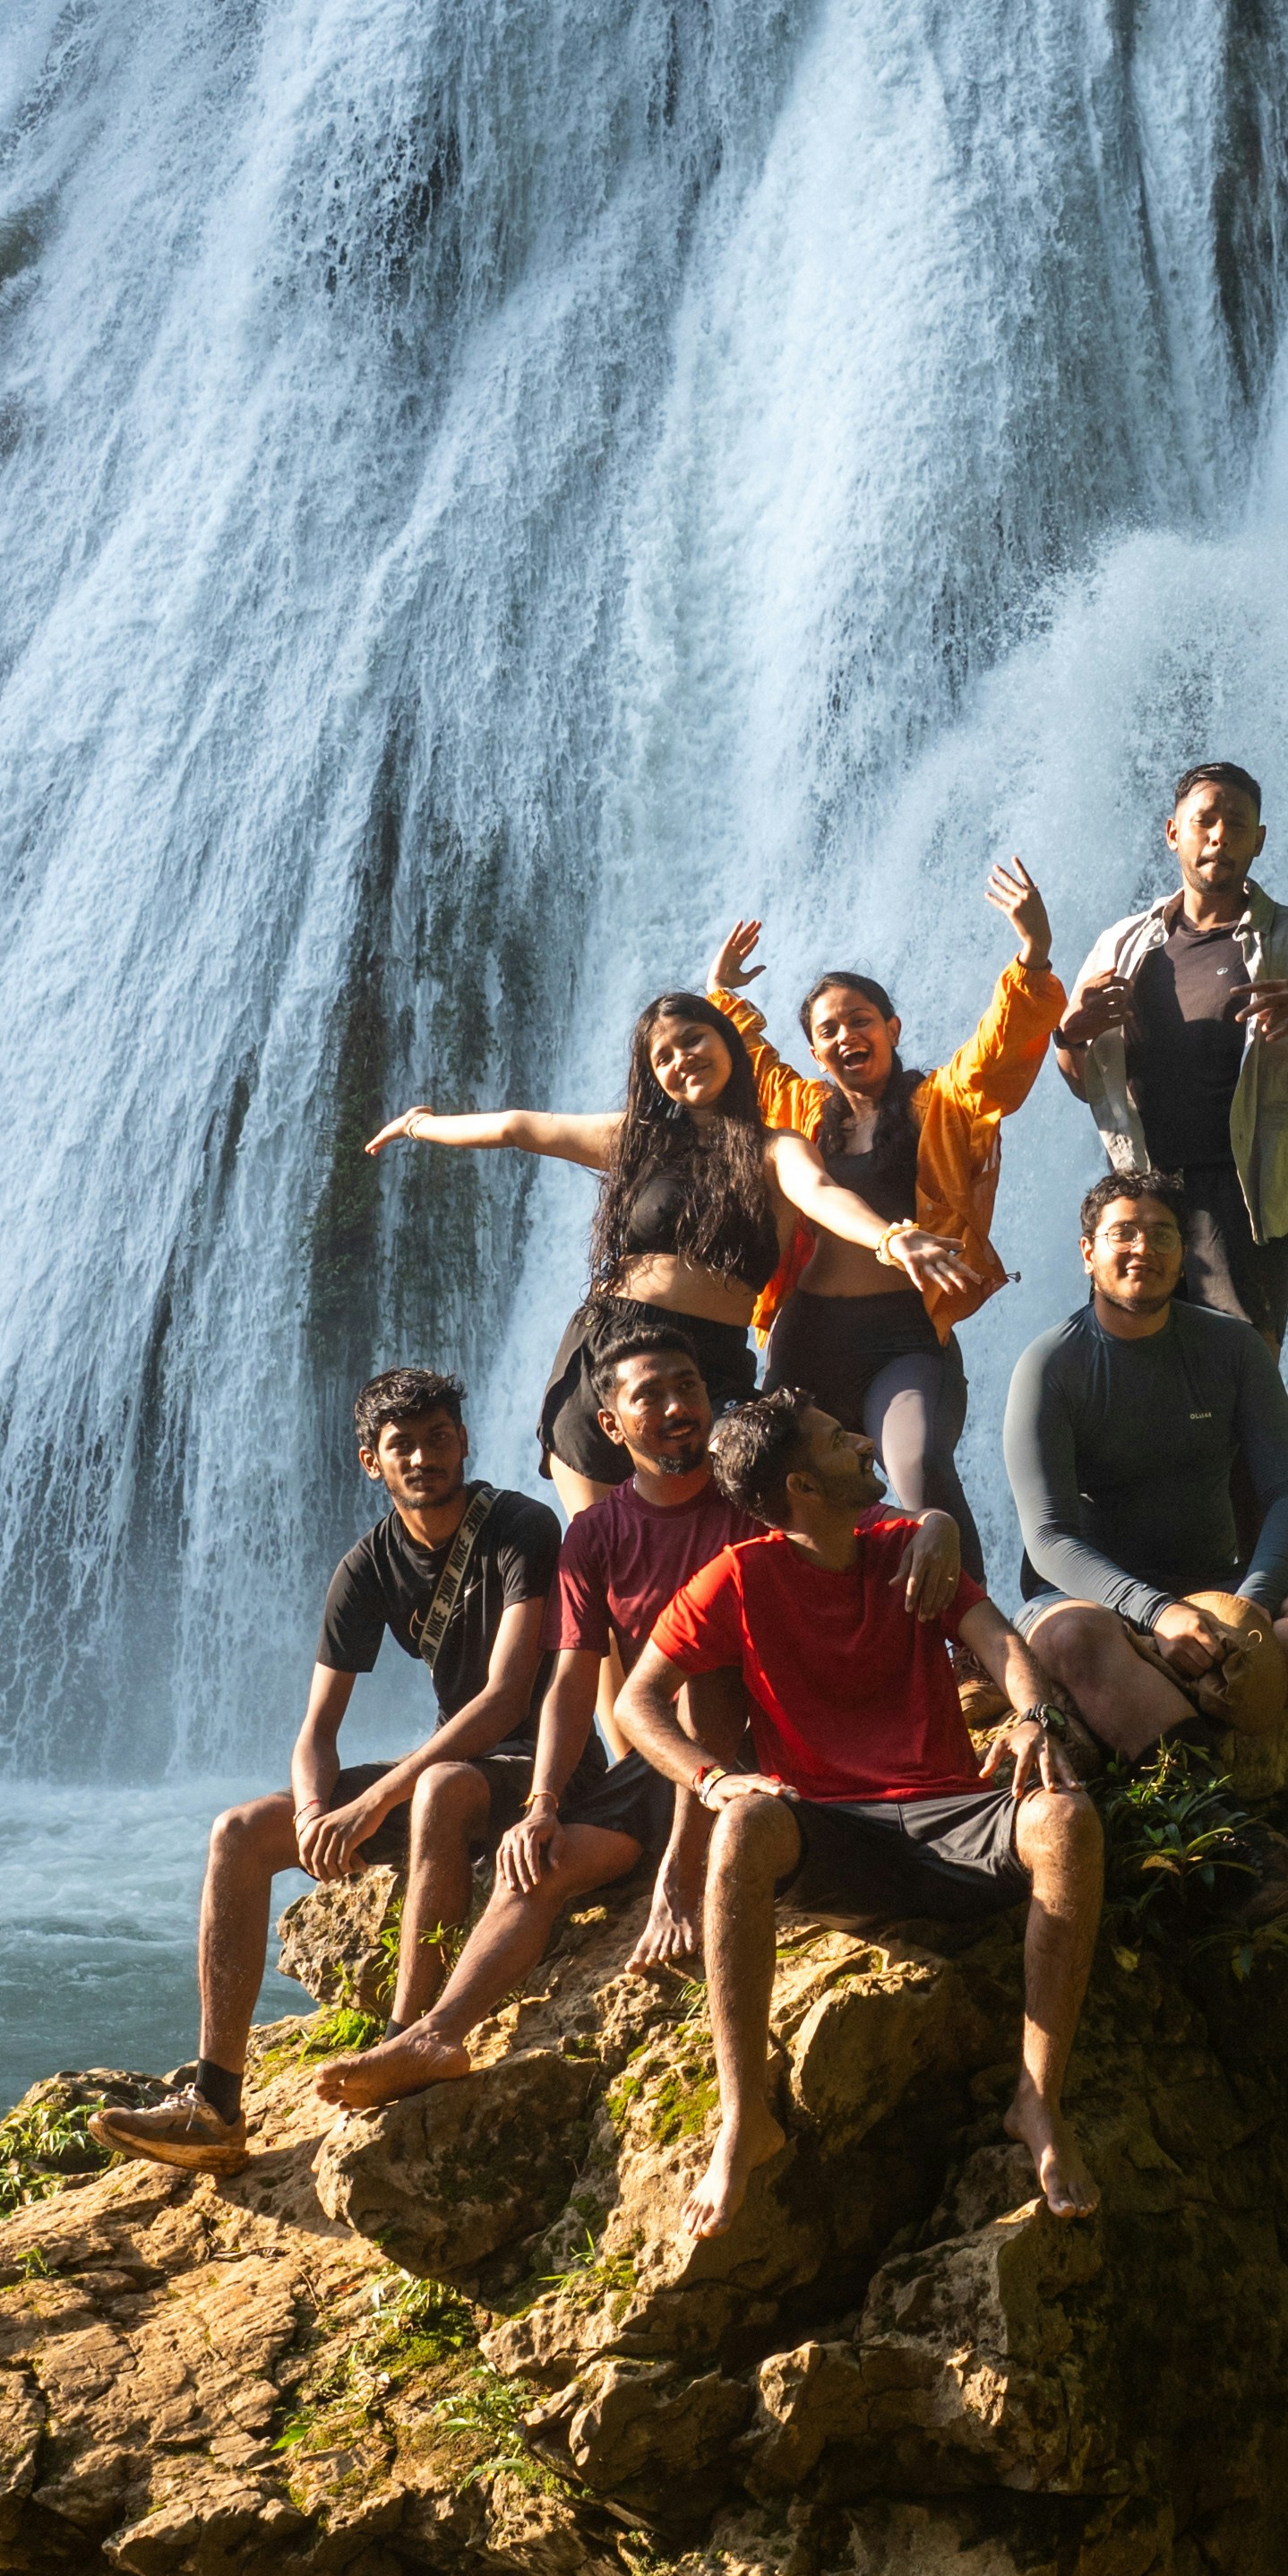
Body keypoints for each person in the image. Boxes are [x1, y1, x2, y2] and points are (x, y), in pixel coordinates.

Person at [311, 1331, 963, 2111]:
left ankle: (681, 1878)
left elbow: (870, 1517)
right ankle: (434, 2035)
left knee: (706, 1680)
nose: (677, 1407)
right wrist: (543, 1803)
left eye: (686, 1386)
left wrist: (938, 1524)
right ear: (613, 1425)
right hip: (664, 1764)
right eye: (649, 1395)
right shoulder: (596, 1535)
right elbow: (568, 1685)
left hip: (779, 1755)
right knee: (537, 1863)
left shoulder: (751, 1493)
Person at [614, 1387, 1104, 2241]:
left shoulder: (910, 1548)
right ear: (803, 1487)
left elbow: (1002, 1645)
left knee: (1066, 1823)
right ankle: (743, 2117)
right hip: (836, 1830)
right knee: (744, 1824)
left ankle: (1037, 2100)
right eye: (839, 1441)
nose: (863, 1443)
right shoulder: (737, 1577)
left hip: (955, 1815)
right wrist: (712, 1779)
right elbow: (635, 1701)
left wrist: (1032, 1714)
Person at [90, 1366, 575, 2175]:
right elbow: (317, 1729)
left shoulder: (522, 1526)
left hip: (536, 1764)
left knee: (436, 1788)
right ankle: (214, 2100)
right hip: (443, 1773)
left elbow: (505, 1697)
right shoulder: (367, 1565)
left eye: (439, 1439)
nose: (423, 1457)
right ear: (370, 1462)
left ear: (464, 1443)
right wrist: (316, 1811)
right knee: (241, 1832)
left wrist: (375, 1801)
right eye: (402, 1446)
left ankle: (401, 2049)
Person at [367, 993, 972, 1518]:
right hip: (609, 1349)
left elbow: (820, 1194)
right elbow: (521, 1128)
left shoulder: (775, 1148)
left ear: (725, 1042)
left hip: (710, 1362)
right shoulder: (640, 1141)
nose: (682, 1059)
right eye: (664, 1056)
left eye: (693, 1039)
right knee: (609, 1557)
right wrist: (422, 1125)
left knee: (736, 1524)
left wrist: (890, 1238)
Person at [704, 858, 1065, 1580]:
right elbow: (749, 1066)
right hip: (806, 1334)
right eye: (829, 1030)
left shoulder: (941, 1104)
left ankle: (975, 1641)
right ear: (816, 1051)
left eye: (860, 1021)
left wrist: (1032, 954)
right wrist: (723, 994)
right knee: (770, 1489)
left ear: (892, 1027)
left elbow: (995, 1057)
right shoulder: (803, 1113)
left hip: (903, 1334)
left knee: (917, 1468)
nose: (846, 1037)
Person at [1002, 1174, 1288, 1762]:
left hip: (1212, 1593)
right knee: (1077, 1639)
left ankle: (1142, 1702)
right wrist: (1159, 1614)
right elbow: (1049, 1538)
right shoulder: (1050, 1365)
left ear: (1184, 1258)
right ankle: (1204, 1787)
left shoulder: (1234, 1349)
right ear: (1088, 1253)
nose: (1143, 1249)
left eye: (1162, 1235)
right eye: (1123, 1233)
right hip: (1086, 1602)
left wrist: (1251, 1607)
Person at [1054, 762, 1288, 1348]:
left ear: (1258, 840)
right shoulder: (1124, 944)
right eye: (1204, 820)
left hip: (1244, 1198)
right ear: (1172, 832)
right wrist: (1071, 1035)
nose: (1219, 836)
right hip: (1140, 1192)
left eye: (1236, 824)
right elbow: (1084, 1082)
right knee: (1127, 1371)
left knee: (1241, 1373)